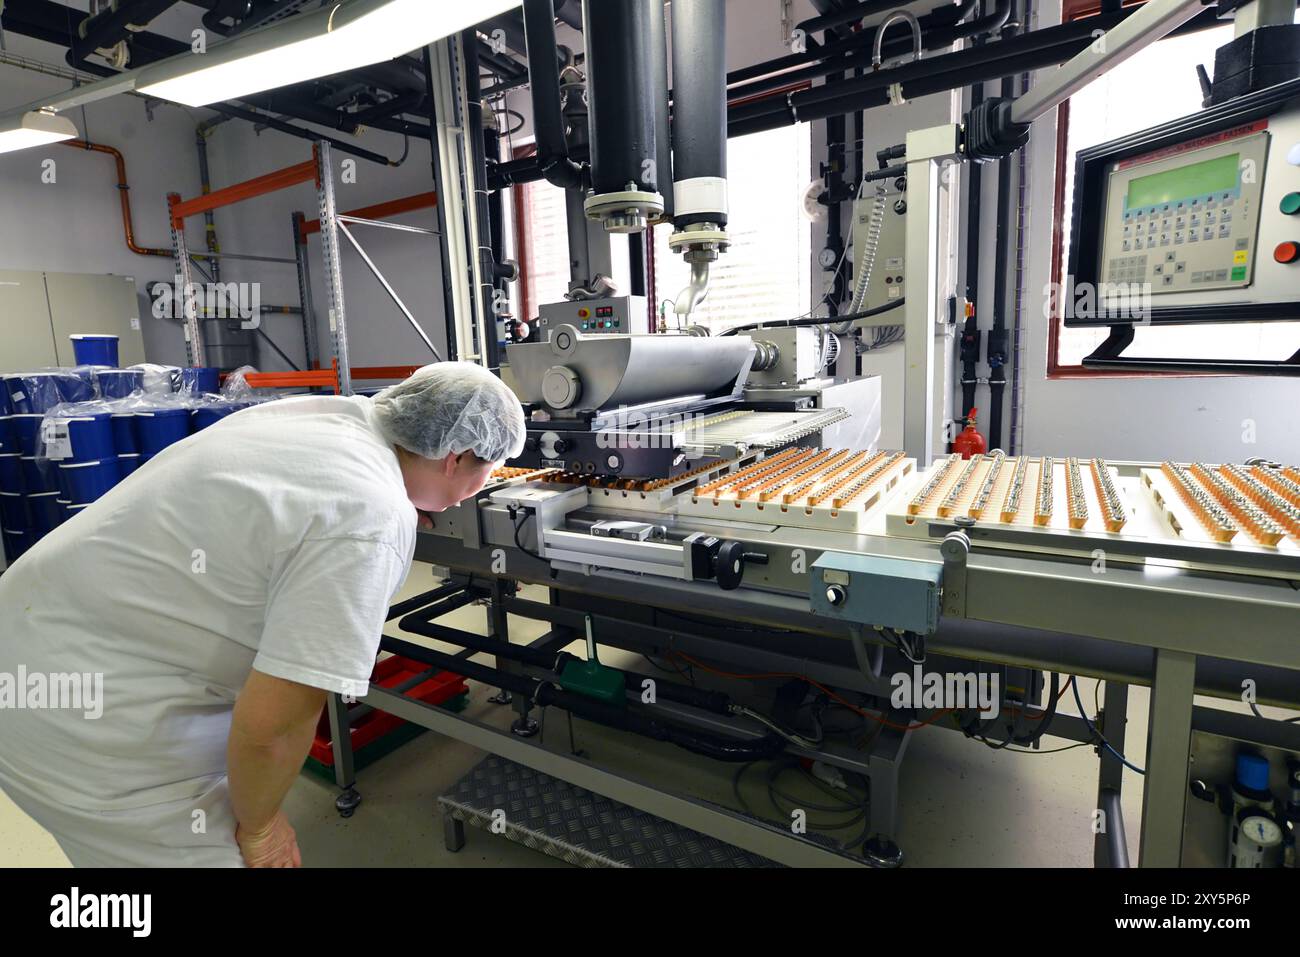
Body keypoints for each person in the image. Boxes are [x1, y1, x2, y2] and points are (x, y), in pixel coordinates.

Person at [0, 362, 525, 867]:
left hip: (27, 638)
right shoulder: (370, 518)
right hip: (89, 721)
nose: (473, 495)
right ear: (455, 457)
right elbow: (273, 726)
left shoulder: (323, 418)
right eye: (486, 474)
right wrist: (261, 826)